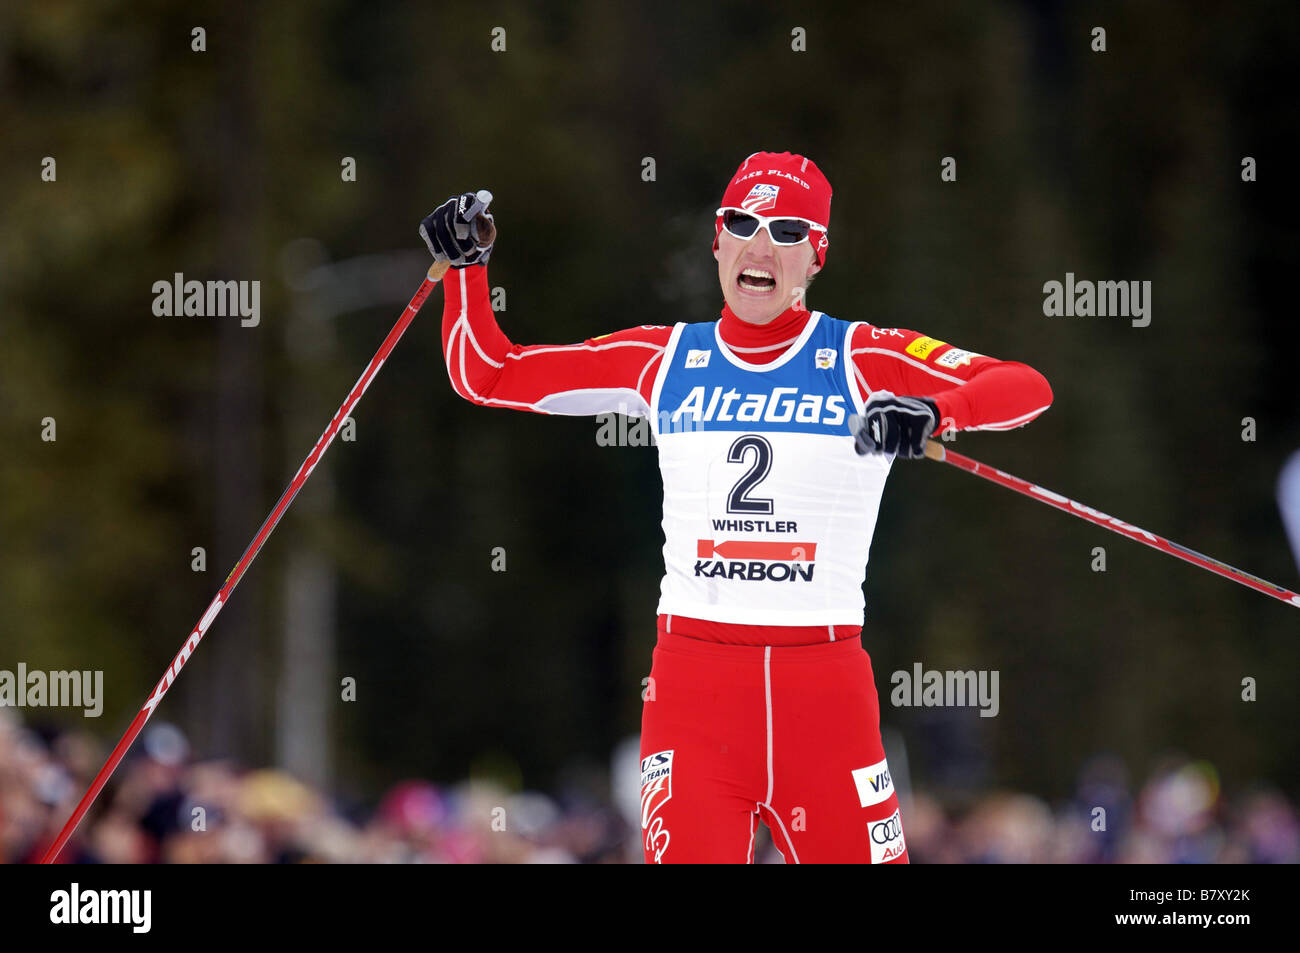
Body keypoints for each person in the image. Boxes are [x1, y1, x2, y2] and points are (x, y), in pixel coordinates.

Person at [420, 151, 1052, 863]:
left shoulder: (861, 356)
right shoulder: (664, 359)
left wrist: (937, 411)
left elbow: (1025, 386)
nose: (760, 246)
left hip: (826, 693)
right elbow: (488, 371)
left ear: (817, 256)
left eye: (787, 231)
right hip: (696, 693)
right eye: (742, 223)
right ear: (716, 240)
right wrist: (465, 268)